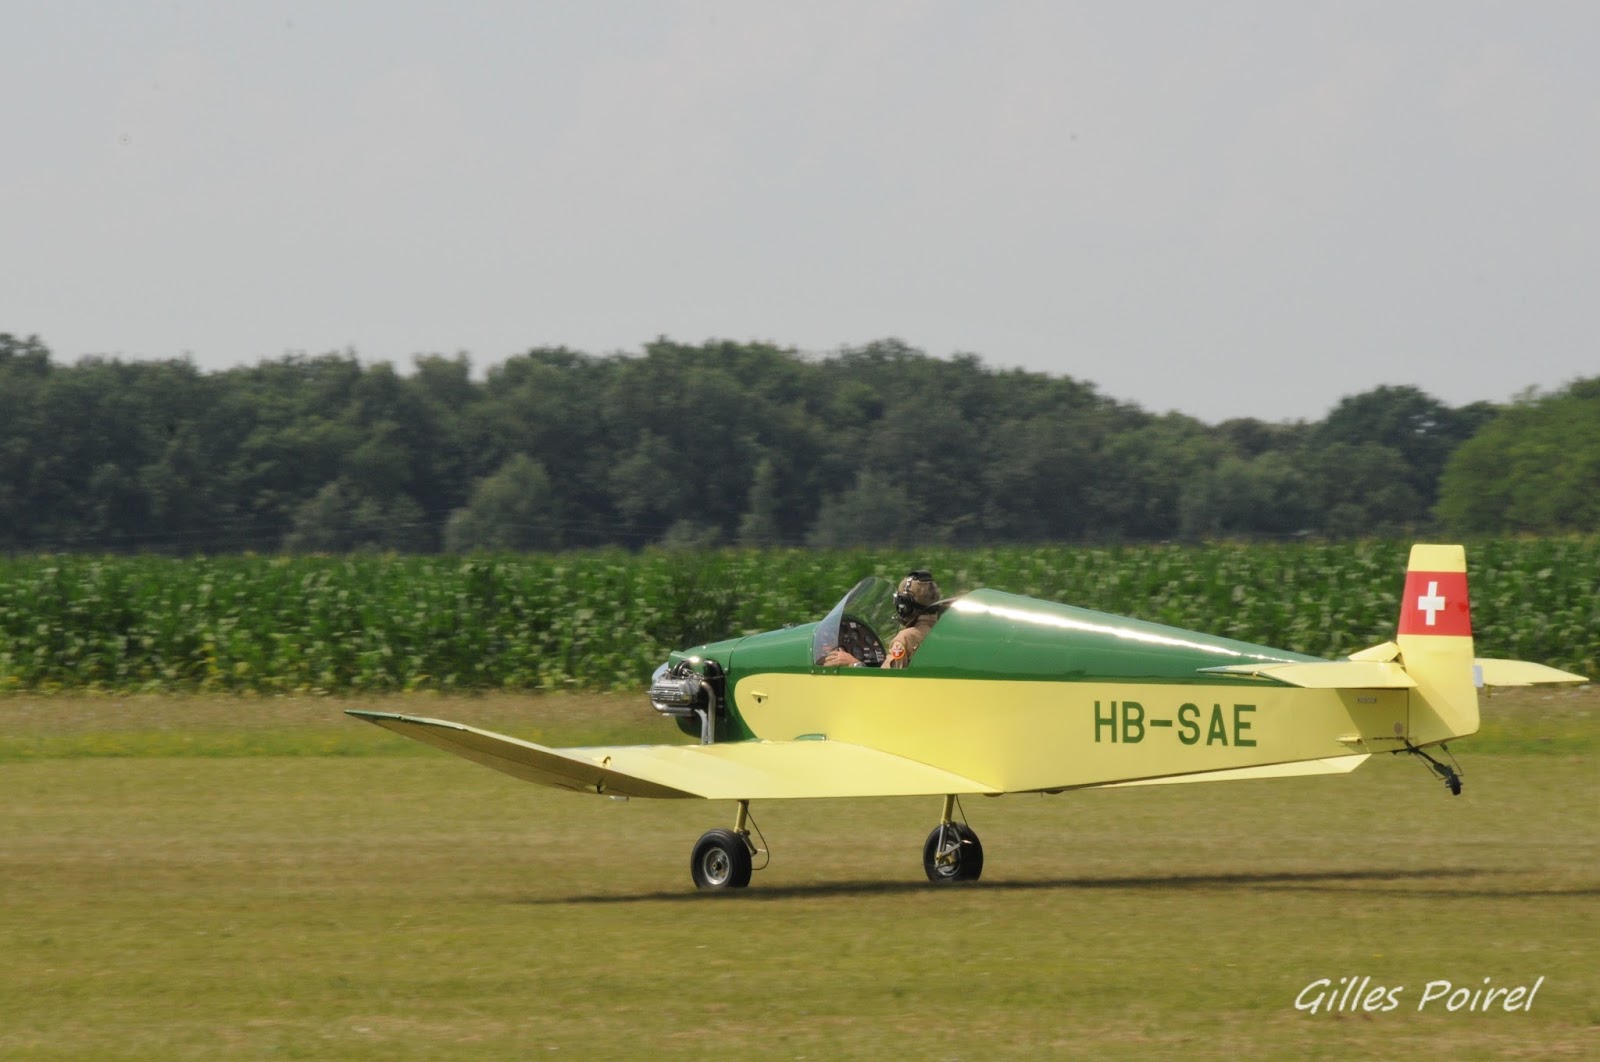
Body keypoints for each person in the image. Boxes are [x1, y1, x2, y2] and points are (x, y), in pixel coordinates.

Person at [823, 569, 944, 669]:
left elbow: (886, 681)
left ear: (905, 605)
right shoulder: (944, 633)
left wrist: (853, 663)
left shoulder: (905, 639)